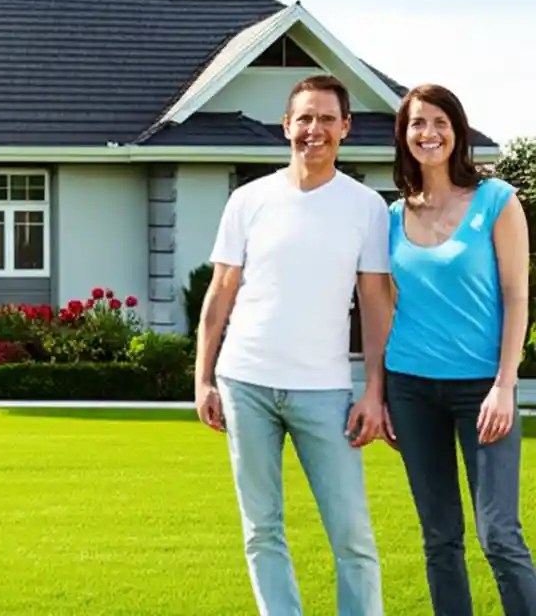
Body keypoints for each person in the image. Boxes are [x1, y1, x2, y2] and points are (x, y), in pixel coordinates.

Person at [194, 74, 392, 615]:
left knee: (352, 535)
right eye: (304, 118)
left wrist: (374, 390)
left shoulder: (367, 207)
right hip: (245, 382)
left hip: (324, 392)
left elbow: (376, 302)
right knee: (262, 529)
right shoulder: (248, 200)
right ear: (286, 126)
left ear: (346, 128)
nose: (314, 129)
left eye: (327, 118)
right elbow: (221, 290)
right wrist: (203, 378)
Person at [382, 82, 536, 615]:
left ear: (458, 132)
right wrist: (380, 394)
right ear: (404, 135)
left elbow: (517, 296)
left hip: (483, 389)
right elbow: (386, 308)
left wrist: (505, 384)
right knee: (440, 537)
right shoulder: (392, 217)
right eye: (417, 123)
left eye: (440, 122)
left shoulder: (497, 200)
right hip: (411, 388)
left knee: (500, 536)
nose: (429, 133)